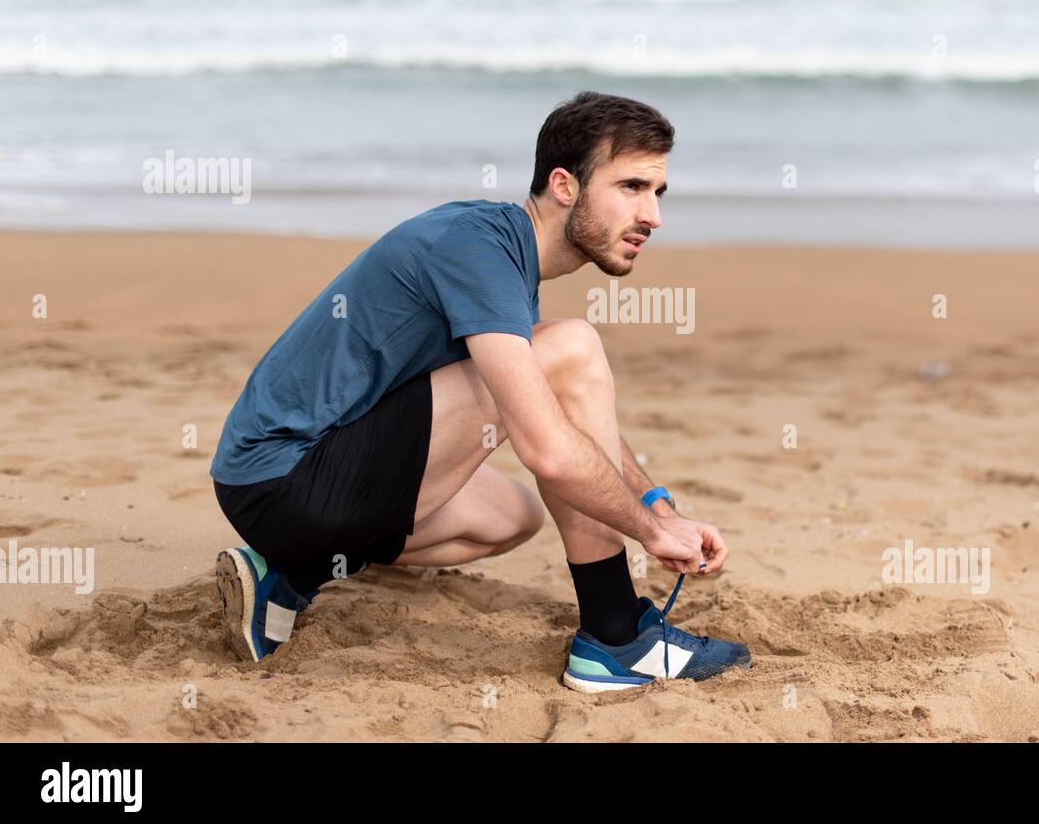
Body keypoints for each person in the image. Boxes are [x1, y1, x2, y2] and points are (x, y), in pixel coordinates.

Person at [210, 91, 751, 691]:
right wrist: (653, 537)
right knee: (571, 347)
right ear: (565, 186)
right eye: (631, 188)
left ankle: (286, 578)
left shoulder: (506, 257)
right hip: (284, 476)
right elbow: (548, 446)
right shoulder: (477, 248)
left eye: (658, 193)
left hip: (293, 488)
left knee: (511, 518)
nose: (653, 216)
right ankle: (615, 635)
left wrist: (656, 504)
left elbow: (563, 416)